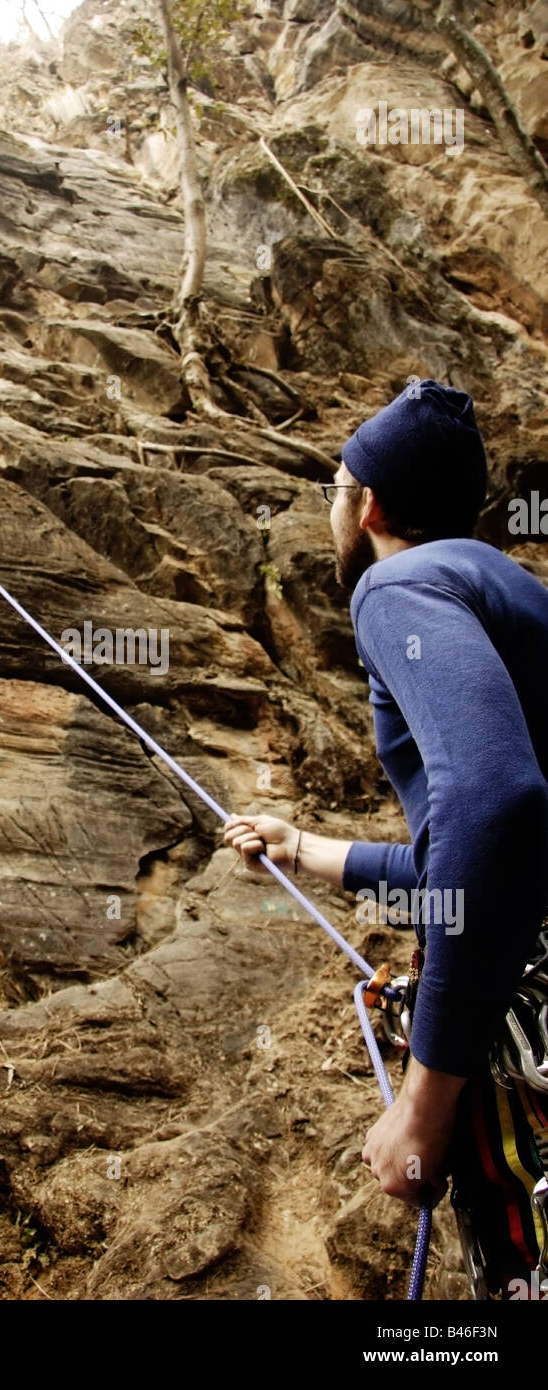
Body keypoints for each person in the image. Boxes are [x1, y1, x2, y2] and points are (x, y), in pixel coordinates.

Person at [224, 379, 548, 1298]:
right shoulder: (514, 591)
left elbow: (496, 806)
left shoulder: (397, 586)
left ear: (366, 505)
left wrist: (424, 1102)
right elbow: (489, 856)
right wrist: (306, 850)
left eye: (335, 488)